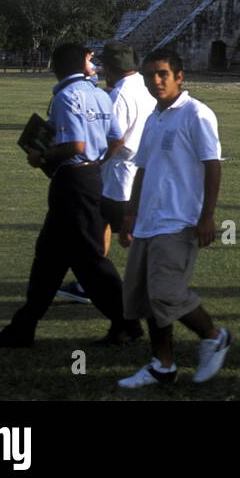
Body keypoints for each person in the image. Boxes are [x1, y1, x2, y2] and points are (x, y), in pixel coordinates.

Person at [0, 43, 142, 347]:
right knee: (49, 257)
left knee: (89, 259)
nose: (94, 63)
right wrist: (96, 163)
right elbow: (117, 138)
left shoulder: (66, 96)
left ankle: (127, 322)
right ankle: (24, 326)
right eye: (89, 59)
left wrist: (41, 156)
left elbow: (76, 146)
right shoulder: (100, 94)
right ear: (81, 64)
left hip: (72, 181)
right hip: (92, 176)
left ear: (57, 67)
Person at [116, 49, 231, 387]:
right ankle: (161, 365)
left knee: (166, 292)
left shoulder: (196, 114)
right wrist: (130, 214)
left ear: (179, 77)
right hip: (150, 219)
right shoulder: (155, 117)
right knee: (148, 297)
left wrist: (207, 216)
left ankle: (213, 335)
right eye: (150, 74)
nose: (156, 81)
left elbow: (213, 164)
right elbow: (142, 169)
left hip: (180, 221)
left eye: (163, 74)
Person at [58, 40, 159, 306]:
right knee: (121, 227)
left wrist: (99, 160)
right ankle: (99, 282)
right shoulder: (143, 85)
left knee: (108, 228)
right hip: (143, 169)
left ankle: (98, 284)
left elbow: (113, 137)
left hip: (119, 174)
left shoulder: (118, 95)